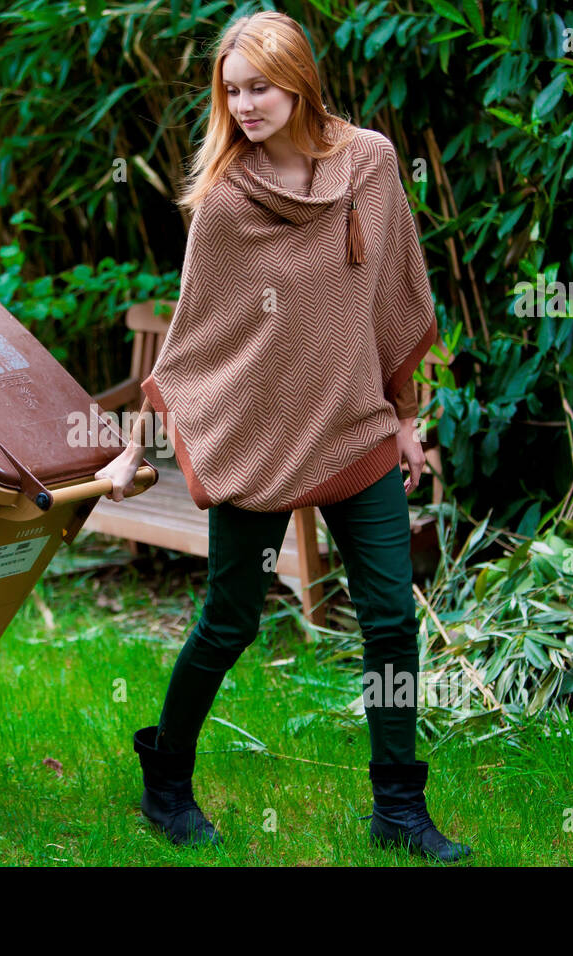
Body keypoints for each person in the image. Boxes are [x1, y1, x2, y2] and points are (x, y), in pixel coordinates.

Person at [94, 10, 472, 863]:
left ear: (298, 79)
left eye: (258, 87)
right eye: (231, 92)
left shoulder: (370, 163)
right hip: (260, 439)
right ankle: (165, 781)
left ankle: (399, 809)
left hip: (356, 430)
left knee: (389, 623)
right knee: (229, 622)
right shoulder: (226, 203)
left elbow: (391, 298)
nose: (244, 104)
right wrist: (133, 449)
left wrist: (405, 418)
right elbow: (190, 344)